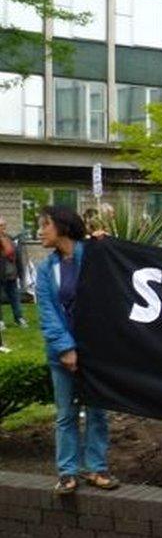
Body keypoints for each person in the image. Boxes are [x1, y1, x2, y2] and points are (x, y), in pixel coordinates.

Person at [35, 206, 119, 494]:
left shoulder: (91, 255)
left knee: (97, 412)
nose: (40, 231)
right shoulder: (46, 269)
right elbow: (47, 312)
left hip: (95, 351)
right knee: (65, 414)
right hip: (62, 355)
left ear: (61, 226)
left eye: (44, 225)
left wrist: (105, 245)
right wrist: (66, 349)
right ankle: (67, 472)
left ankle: (96, 468)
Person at [0, 216, 26, 329]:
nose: (3, 228)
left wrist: (21, 273)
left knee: (15, 297)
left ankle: (19, 318)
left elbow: (18, 256)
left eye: (3, 225)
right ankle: (0, 321)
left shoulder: (10, 239)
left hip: (12, 274)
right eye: (1, 226)